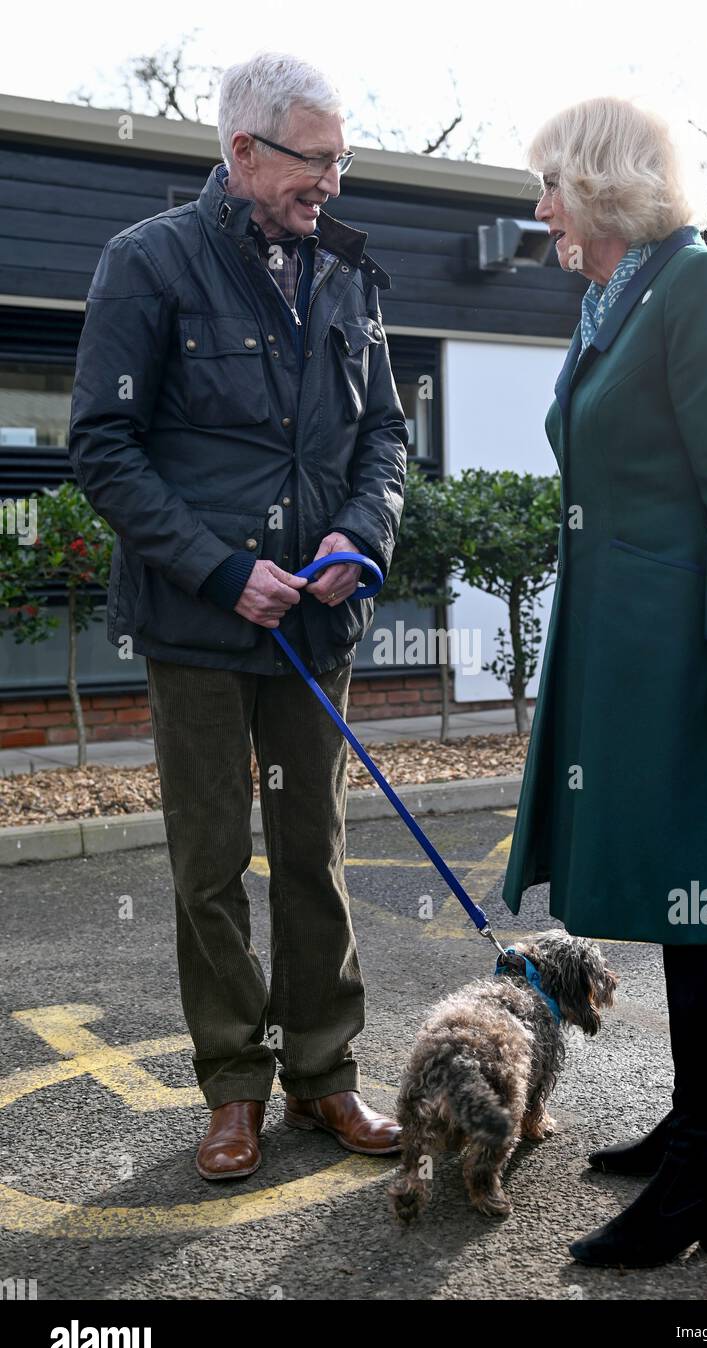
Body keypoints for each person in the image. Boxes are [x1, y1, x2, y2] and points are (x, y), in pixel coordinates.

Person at [69, 52, 408, 1180]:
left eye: (342, 160)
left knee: (312, 851)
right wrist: (221, 571)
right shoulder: (146, 262)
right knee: (210, 864)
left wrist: (357, 537)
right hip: (199, 631)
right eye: (317, 161)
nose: (334, 185)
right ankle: (234, 1087)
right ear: (244, 150)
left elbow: (385, 442)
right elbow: (103, 449)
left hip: (317, 627)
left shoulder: (352, 276)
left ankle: (325, 1075)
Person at [501, 95, 707, 1266]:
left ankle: (704, 1185)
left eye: (551, 187)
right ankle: (706, 1123)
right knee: (669, 898)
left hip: (687, 655)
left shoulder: (699, 284)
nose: (539, 213)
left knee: (702, 911)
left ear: (605, 185)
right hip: (620, 649)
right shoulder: (608, 297)